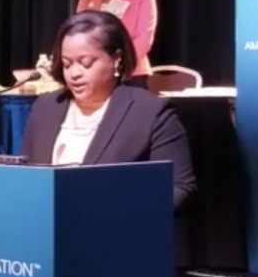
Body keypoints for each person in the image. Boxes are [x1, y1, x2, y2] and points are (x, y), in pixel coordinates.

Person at [20, 11, 196, 211]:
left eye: (86, 63)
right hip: (46, 232)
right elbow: (26, 175)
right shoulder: (46, 107)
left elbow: (180, 187)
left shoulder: (149, 112)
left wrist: (122, 211)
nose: (74, 73)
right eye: (67, 64)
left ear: (117, 59)